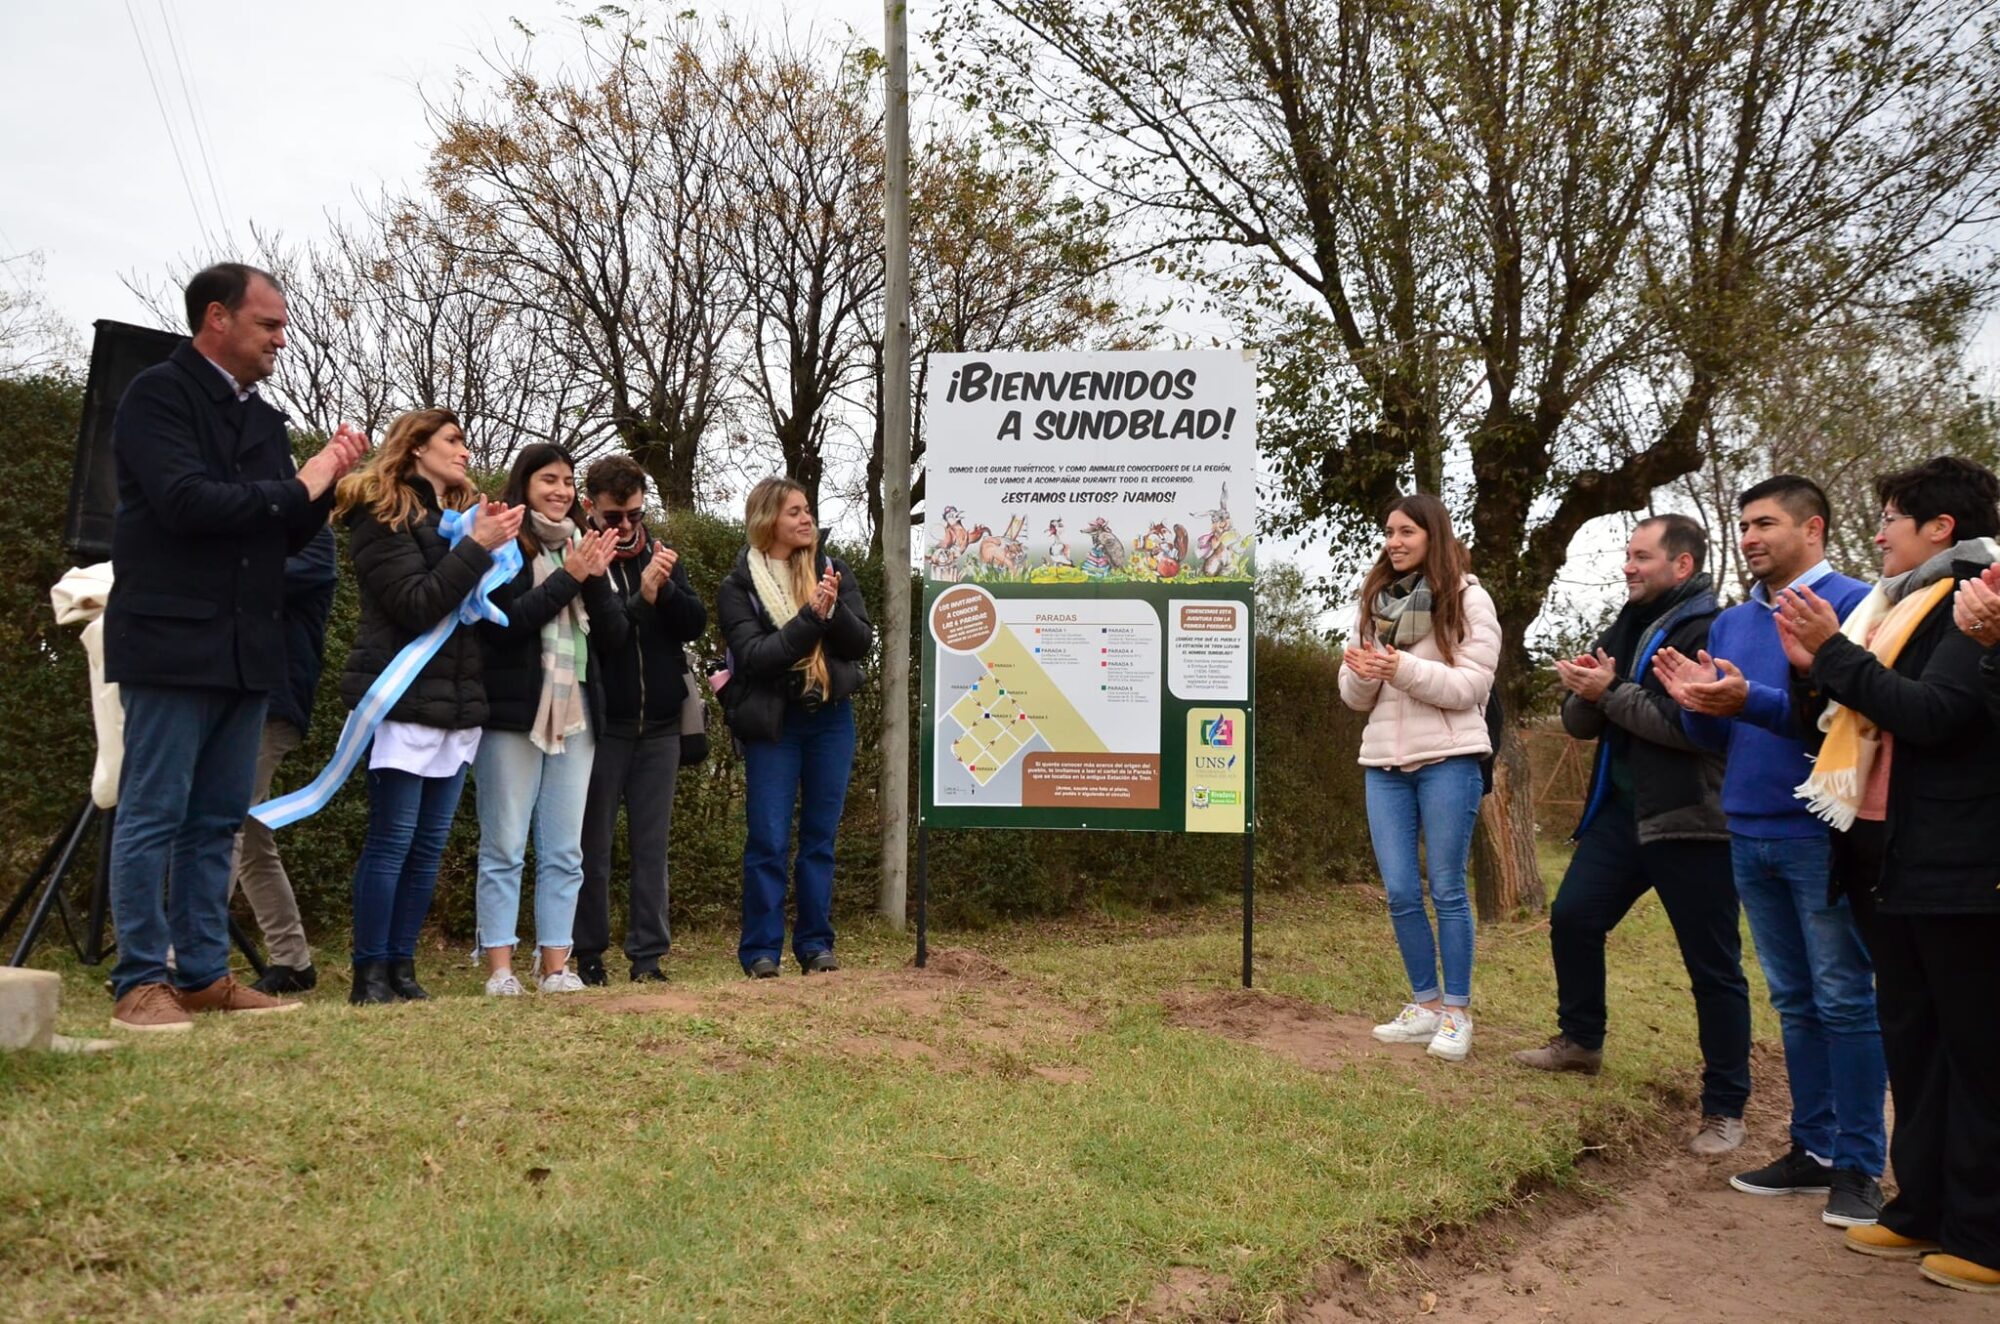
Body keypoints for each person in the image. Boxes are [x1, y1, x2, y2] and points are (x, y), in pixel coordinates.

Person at [102, 262, 366, 1033]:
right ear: (217, 318)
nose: (282, 339)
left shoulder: (264, 421)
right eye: (269, 324)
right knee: (154, 810)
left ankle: (205, 974)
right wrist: (303, 481)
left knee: (218, 819)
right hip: (171, 639)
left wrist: (322, 490)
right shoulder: (158, 396)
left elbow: (279, 530)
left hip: (250, 648)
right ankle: (141, 981)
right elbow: (187, 504)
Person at [1770, 457, 2000, 1293]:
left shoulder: (1978, 599)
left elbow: (1935, 716)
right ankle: (1920, 1211)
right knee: (1917, 1040)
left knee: (1974, 1050)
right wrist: (1815, 664)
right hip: (1886, 852)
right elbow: (1853, 712)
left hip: (1958, 859)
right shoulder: (1899, 604)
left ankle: (1985, 1233)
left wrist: (1832, 650)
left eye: (1891, 518)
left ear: (1939, 528)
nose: (1877, 533)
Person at [1653, 474, 1885, 1227]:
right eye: (1743, 525)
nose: (1749, 537)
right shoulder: (1729, 622)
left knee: (1845, 998)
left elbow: (1848, 717)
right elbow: (1724, 734)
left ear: (1813, 528)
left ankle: (1860, 1165)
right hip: (1745, 828)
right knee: (1792, 1000)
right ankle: (1811, 1151)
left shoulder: (1855, 605)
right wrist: (1696, 706)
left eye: (1765, 524)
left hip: (1822, 833)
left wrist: (1747, 698)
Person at [1515, 515, 1753, 1154]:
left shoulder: (1710, 629)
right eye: (1627, 555)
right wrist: (1586, 692)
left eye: (1641, 556)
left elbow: (1690, 728)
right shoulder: (1625, 624)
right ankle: (1582, 1042)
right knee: (1573, 918)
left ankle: (1725, 1106)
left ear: (1681, 565)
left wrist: (1611, 689)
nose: (1628, 566)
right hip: (1622, 816)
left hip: (1691, 821)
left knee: (1713, 967)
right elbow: (1580, 723)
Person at [337, 409, 521, 1004]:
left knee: (430, 844)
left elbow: (478, 614)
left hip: (458, 703)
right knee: (392, 838)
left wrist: (493, 551)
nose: (465, 452)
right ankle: (370, 973)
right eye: (452, 440)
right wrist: (474, 547)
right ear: (416, 449)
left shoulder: (457, 520)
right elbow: (417, 604)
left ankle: (402, 965)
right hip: (402, 695)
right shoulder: (381, 513)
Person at [1337, 493, 1499, 1062]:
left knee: (1448, 889)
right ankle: (1424, 1004)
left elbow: (1471, 688)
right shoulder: (1376, 601)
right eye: (1388, 532)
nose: (1394, 542)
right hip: (1382, 764)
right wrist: (1363, 673)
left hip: (1449, 762)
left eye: (1406, 532)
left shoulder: (1467, 599)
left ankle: (1457, 1012)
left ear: (1433, 535)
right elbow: (1356, 696)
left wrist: (1399, 668)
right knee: (1402, 892)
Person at [473, 443, 627, 995]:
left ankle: (556, 966)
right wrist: (571, 576)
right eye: (548, 480)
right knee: (505, 843)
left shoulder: (584, 549)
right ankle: (499, 969)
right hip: (513, 714)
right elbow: (504, 624)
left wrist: (592, 576)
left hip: (578, 711)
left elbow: (614, 638)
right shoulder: (505, 542)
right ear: (525, 484)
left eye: (567, 481)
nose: (560, 491)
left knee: (565, 848)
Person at [716, 476, 873, 978]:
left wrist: (829, 612)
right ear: (768, 521)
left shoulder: (833, 570)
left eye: (808, 510)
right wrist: (812, 617)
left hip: (830, 719)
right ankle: (761, 952)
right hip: (774, 726)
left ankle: (815, 945)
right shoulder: (738, 586)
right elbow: (759, 658)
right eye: (795, 512)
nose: (807, 519)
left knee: (820, 838)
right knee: (767, 838)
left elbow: (859, 645)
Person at [573, 456, 707, 985]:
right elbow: (608, 638)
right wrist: (643, 598)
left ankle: (648, 958)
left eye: (634, 514)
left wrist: (665, 589)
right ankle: (587, 954)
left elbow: (695, 623)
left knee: (652, 849)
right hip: (605, 726)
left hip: (661, 728)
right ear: (591, 508)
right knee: (593, 846)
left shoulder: (661, 553)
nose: (625, 527)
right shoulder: (585, 557)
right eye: (613, 516)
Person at [227, 524, 336, 995]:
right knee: (249, 831)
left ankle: (181, 958)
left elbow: (260, 584)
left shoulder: (312, 537)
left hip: (270, 699)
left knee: (224, 819)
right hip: (229, 693)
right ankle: (293, 960)